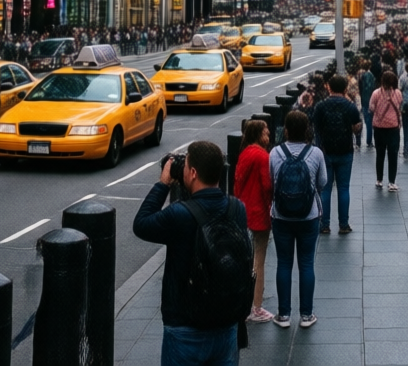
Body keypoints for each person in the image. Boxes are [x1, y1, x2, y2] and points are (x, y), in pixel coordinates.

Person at [133, 141, 252, 366]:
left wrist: (163, 183)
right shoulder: (238, 209)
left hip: (185, 327)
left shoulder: (179, 214)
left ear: (193, 173)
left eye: (186, 166)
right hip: (226, 322)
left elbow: (141, 224)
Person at [269, 110, 327, 329]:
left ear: (286, 130)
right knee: (306, 263)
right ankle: (306, 314)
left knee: (283, 263)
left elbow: (272, 184)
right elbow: (322, 182)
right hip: (309, 216)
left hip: (281, 216)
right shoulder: (316, 153)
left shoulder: (275, 152)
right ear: (307, 130)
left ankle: (283, 315)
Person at [234, 119, 275, 324]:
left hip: (243, 211)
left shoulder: (244, 153)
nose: (269, 136)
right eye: (266, 132)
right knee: (259, 260)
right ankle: (256, 306)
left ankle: (244, 302)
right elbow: (268, 186)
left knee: (246, 259)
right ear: (259, 134)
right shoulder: (262, 156)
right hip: (259, 212)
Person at [312, 75, 361, 234]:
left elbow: (316, 128)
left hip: (325, 151)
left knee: (325, 189)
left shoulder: (321, 106)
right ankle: (343, 224)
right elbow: (357, 127)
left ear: (329, 87)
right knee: (343, 188)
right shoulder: (350, 106)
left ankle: (324, 225)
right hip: (345, 151)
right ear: (345, 88)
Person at [369, 70, 402, 190]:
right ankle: (392, 182)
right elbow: (400, 105)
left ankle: (379, 180)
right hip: (393, 128)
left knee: (380, 154)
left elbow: (371, 107)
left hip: (379, 127)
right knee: (393, 155)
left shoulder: (376, 93)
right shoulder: (398, 93)